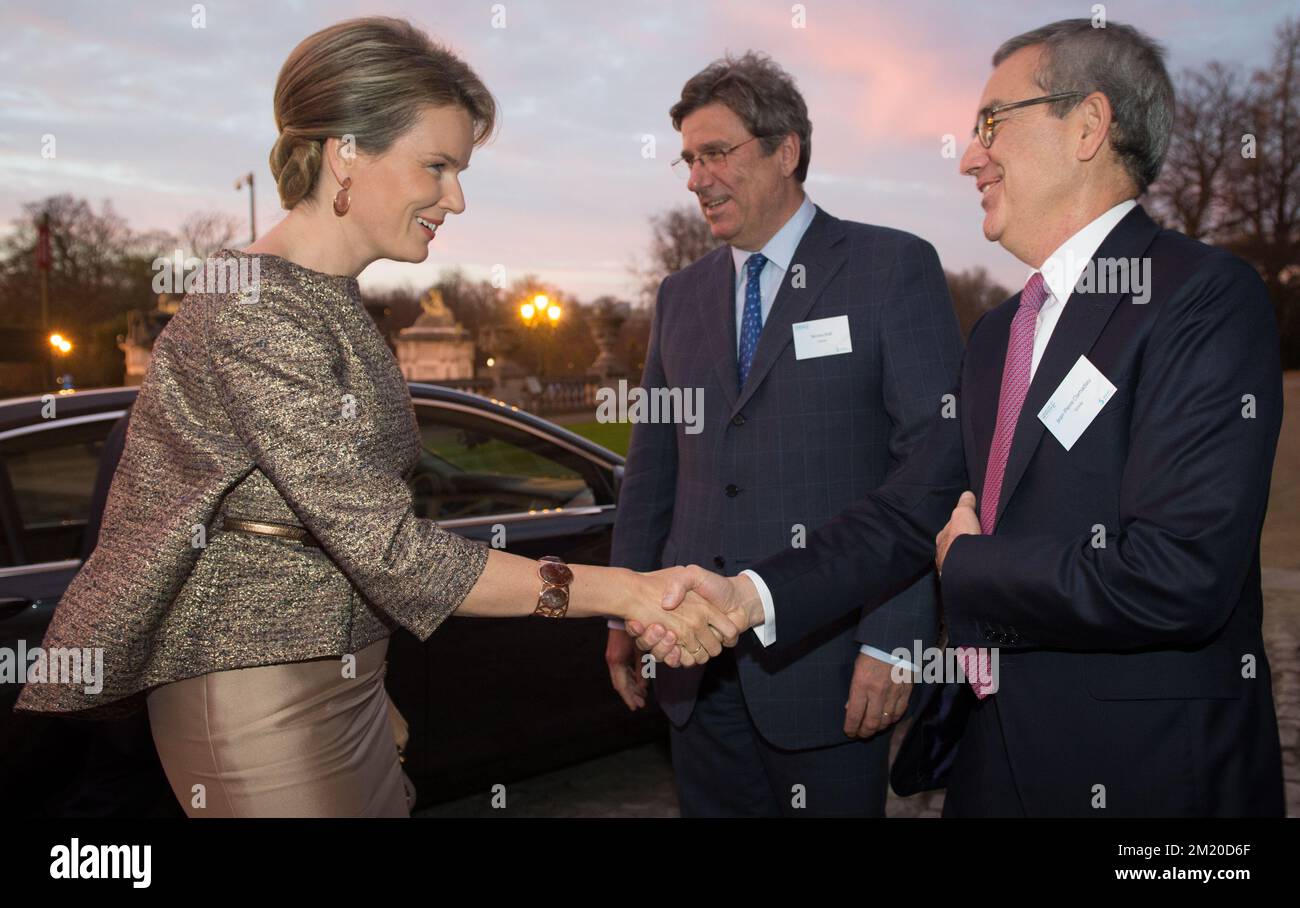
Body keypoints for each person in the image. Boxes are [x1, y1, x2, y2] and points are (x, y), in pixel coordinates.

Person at [14, 16, 748, 818]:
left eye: (459, 170)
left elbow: (338, 540)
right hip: (259, 699)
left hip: (341, 680)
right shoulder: (251, 307)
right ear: (345, 152)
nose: (456, 198)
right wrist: (630, 593)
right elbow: (389, 548)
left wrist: (366, 680)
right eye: (436, 165)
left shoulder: (329, 296)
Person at [636, 19, 1285, 817]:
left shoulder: (1202, 299)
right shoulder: (997, 336)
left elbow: (1181, 574)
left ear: (1088, 125)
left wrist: (970, 567)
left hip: (1149, 773)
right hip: (992, 761)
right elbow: (909, 507)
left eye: (991, 123)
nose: (971, 156)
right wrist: (750, 597)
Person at [605, 51, 961, 817]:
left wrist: (892, 640)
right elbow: (652, 468)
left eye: (716, 153)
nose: (697, 178)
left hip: (828, 664)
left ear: (786, 149)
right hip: (690, 657)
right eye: (689, 160)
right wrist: (620, 606)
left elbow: (931, 465)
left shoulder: (890, 267)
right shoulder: (680, 296)